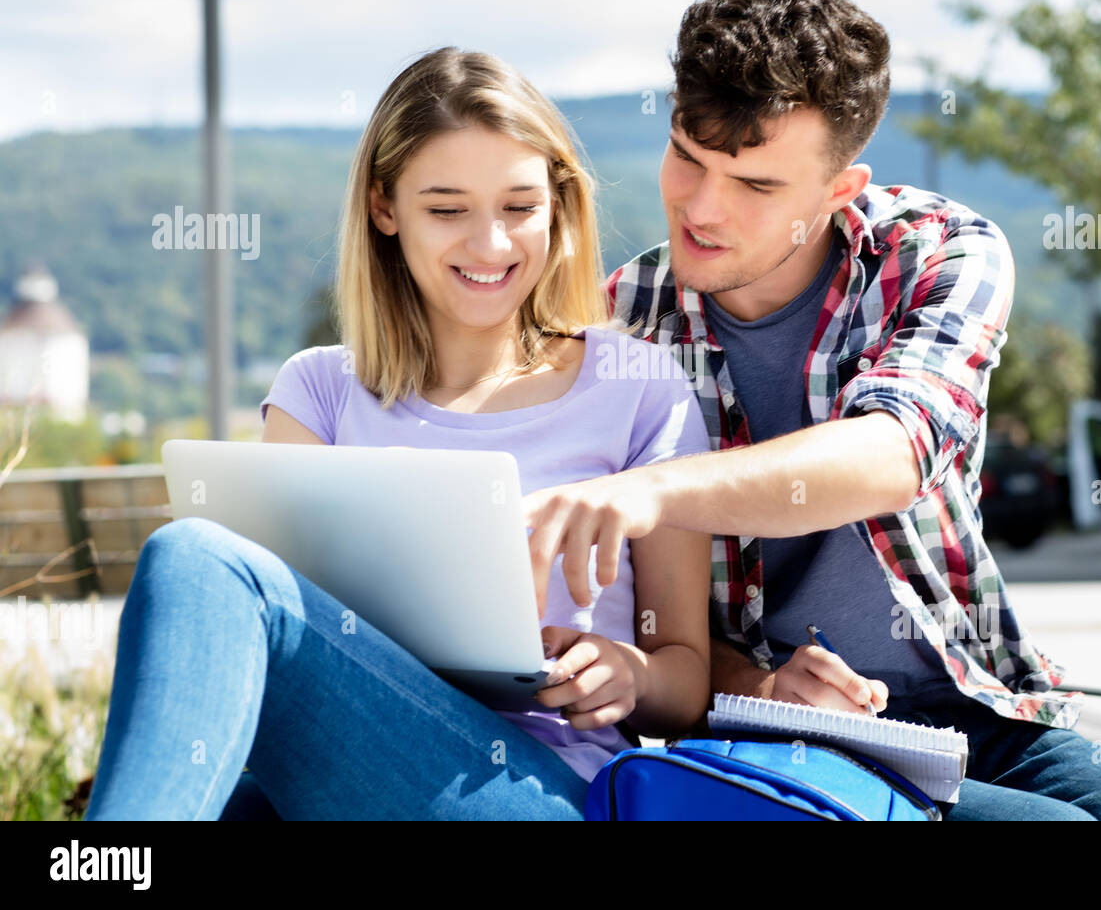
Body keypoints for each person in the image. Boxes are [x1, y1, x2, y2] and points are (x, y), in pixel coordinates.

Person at [520, 0, 1101, 821]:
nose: (701, 208)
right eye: (687, 158)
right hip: (773, 735)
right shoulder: (621, 324)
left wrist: (649, 487)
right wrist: (764, 686)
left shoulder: (941, 253)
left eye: (757, 186)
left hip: (980, 710)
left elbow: (892, 452)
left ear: (840, 190)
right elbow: (663, 629)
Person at [83, 47, 711, 821]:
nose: (490, 244)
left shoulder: (639, 388)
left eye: (520, 207)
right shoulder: (317, 392)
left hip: (541, 788)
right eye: (447, 209)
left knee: (195, 556)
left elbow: (687, 679)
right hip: (346, 773)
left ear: (559, 203)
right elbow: (285, 655)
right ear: (385, 209)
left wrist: (632, 675)